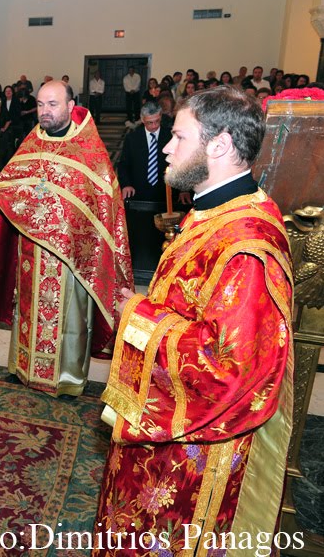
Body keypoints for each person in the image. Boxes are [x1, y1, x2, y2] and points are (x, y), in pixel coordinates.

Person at [94, 85, 293, 556]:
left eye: (179, 137)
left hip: (197, 454)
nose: (166, 145)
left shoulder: (248, 245)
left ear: (219, 146)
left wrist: (136, 316)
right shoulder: (216, 210)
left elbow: (225, 367)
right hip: (173, 433)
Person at [0, 81, 132, 397]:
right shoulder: (32, 142)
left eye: (52, 104)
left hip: (69, 259)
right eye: (40, 104)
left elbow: (103, 207)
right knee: (28, 312)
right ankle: (23, 368)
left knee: (68, 320)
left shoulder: (90, 149)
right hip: (30, 252)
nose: (44, 111)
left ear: (70, 105)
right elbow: (9, 186)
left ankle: (67, 377)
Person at [116, 101, 173, 281]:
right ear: (142, 120)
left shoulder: (169, 136)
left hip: (165, 194)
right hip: (139, 194)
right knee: (140, 234)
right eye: (150, 123)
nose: (154, 126)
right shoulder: (133, 138)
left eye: (157, 121)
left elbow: (178, 163)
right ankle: (140, 270)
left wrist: (183, 189)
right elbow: (123, 165)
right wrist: (126, 184)